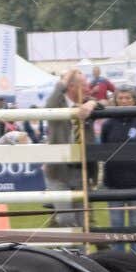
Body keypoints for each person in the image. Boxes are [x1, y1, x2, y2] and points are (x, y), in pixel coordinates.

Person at [97, 86, 136, 254]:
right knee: (116, 224)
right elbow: (103, 151)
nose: (124, 101)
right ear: (115, 100)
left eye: (128, 98)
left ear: (135, 100)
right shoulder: (108, 124)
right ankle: (118, 258)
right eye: (121, 98)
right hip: (113, 182)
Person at [44, 69, 98, 226]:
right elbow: (54, 96)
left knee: (84, 220)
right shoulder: (55, 105)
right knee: (66, 218)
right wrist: (68, 74)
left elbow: (105, 103)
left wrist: (92, 103)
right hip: (58, 172)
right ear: (71, 86)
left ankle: (80, 250)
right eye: (84, 85)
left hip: (81, 170)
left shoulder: (86, 102)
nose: (88, 88)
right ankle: (67, 248)